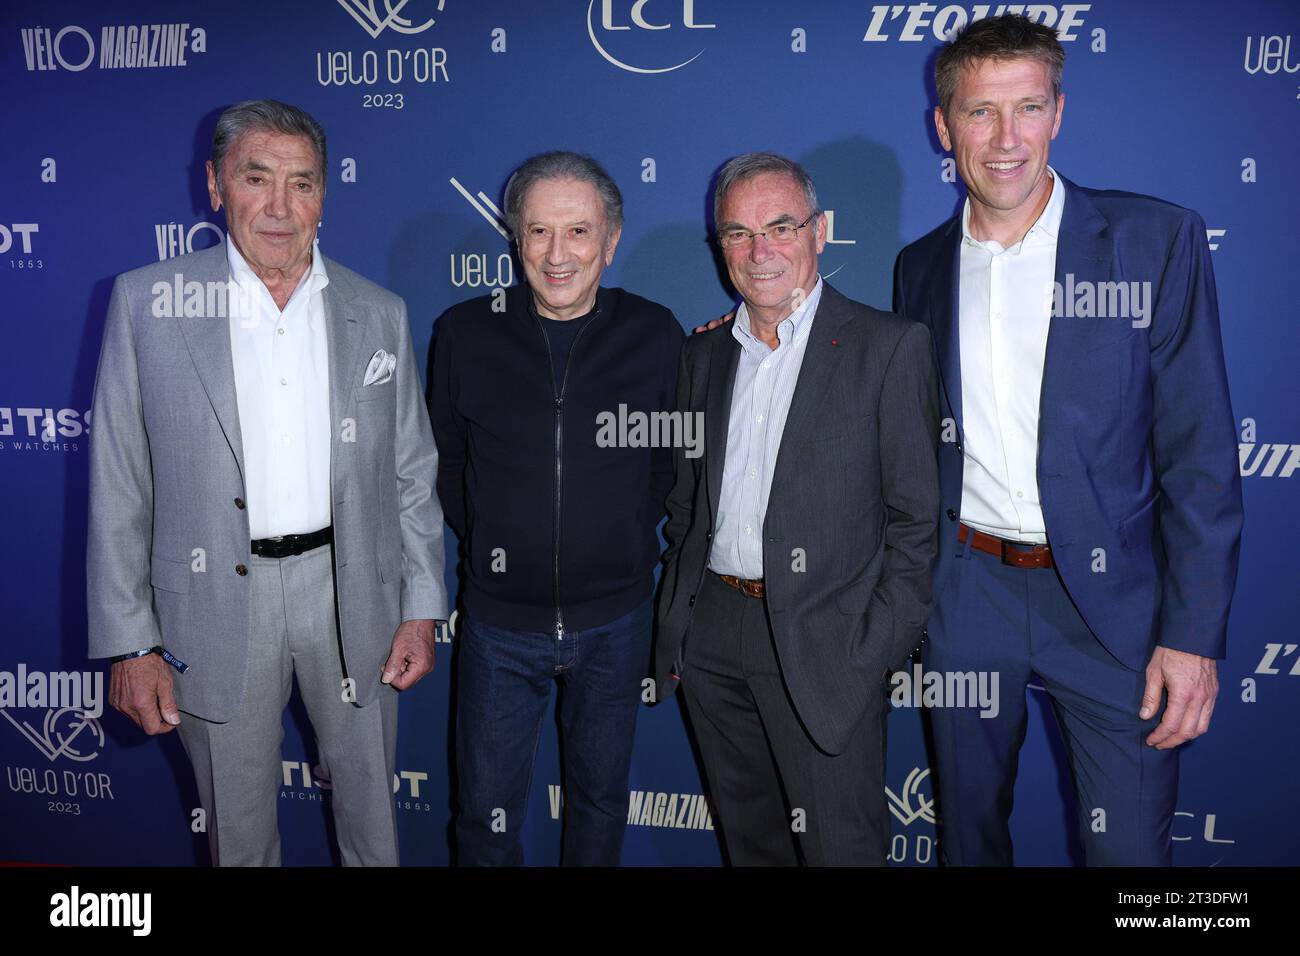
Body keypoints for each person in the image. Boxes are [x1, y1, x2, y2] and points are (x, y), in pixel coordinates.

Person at [892, 15, 1243, 865]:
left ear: (1059, 113)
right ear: (945, 126)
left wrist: (1193, 637)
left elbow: (1199, 453)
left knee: (1130, 858)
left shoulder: (1153, 242)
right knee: (968, 844)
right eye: (980, 112)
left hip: (1113, 607)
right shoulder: (919, 268)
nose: (1006, 139)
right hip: (966, 593)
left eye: (1028, 108)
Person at [86, 99, 446, 866]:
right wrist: (130, 643)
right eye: (257, 178)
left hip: (354, 599)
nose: (281, 207)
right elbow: (119, 483)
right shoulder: (148, 303)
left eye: (303, 183)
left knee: (373, 832)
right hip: (212, 604)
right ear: (216, 186)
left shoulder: (378, 313)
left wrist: (420, 607)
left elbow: (412, 472)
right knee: (238, 839)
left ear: (325, 194)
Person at [654, 152, 939, 865]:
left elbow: (916, 524)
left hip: (827, 643)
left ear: (819, 232)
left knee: (840, 850)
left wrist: (868, 653)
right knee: (753, 848)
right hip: (716, 637)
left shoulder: (889, 347)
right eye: (739, 233)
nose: (760, 251)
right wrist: (682, 627)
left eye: (779, 227)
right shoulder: (705, 354)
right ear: (720, 248)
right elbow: (688, 508)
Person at [430, 151, 684, 865]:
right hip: (499, 624)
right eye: (539, 232)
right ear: (516, 240)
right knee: (483, 818)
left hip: (617, 622)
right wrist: (494, 542)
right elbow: (445, 461)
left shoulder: (654, 333)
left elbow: (670, 464)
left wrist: (621, 541)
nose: (558, 253)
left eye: (578, 232)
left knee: (600, 807)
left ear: (610, 239)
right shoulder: (465, 333)